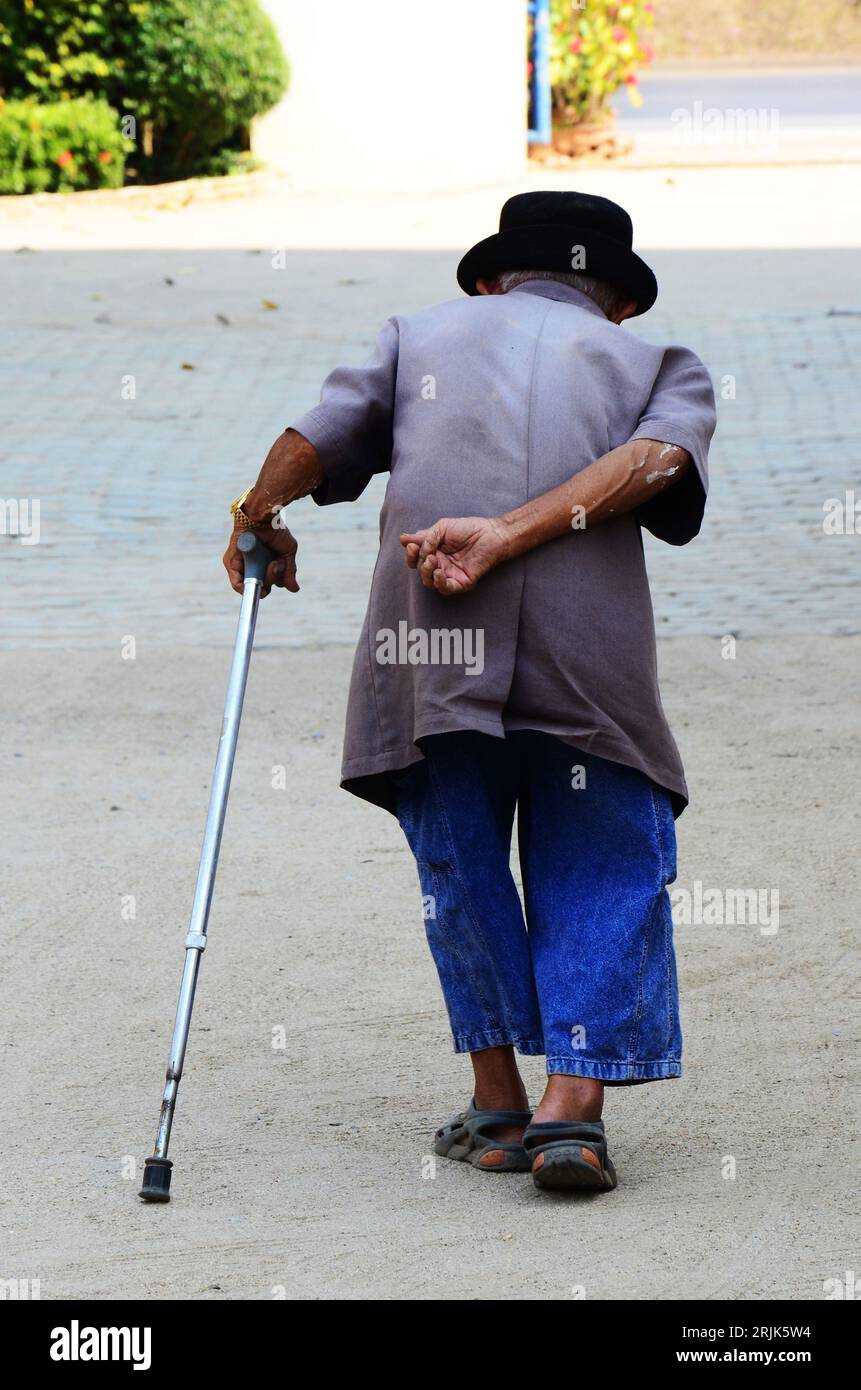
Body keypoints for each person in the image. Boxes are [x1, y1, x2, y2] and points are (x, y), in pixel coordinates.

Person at [223, 192, 716, 1193]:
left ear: (492, 277)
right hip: (592, 663)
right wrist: (525, 528)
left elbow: (315, 438)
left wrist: (256, 510)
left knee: (462, 860)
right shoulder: (659, 363)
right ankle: (571, 1107)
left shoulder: (417, 335)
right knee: (605, 854)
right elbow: (656, 463)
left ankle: (498, 1102)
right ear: (617, 300)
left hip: (429, 649)